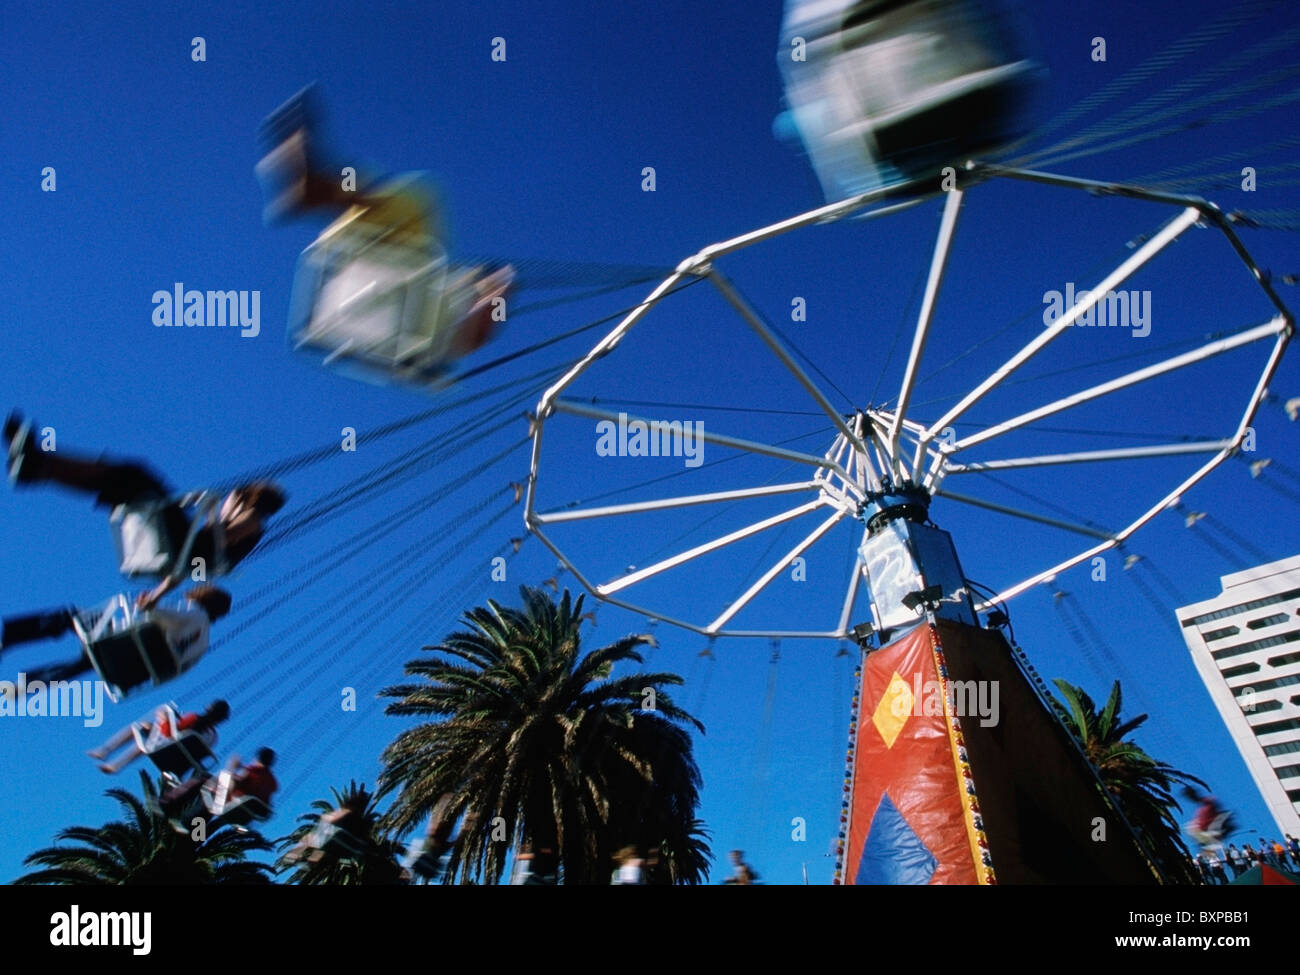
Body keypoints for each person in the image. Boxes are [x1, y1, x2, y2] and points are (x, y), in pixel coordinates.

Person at [256, 88, 515, 374]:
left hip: (357, 284)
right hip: (373, 280)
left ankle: (321, 189)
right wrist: (499, 289)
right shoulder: (448, 301)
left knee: (416, 198)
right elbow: (474, 334)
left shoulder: (447, 306)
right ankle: (323, 189)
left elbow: (470, 334)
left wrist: (497, 287)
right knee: (409, 201)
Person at [5, 411, 284, 606]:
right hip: (181, 547)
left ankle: (42, 464)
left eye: (232, 498)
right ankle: (41, 467)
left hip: (182, 542)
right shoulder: (210, 546)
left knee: (135, 475)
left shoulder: (253, 519)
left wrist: (213, 510)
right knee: (123, 486)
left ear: (244, 500)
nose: (226, 501)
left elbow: (220, 537)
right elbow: (184, 570)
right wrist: (156, 596)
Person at [0, 585, 231, 690]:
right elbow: (171, 674)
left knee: (70, 614)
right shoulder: (202, 644)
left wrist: (145, 603)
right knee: (85, 664)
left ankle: (10, 636)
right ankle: (23, 687)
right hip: (125, 672)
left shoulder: (194, 612)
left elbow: (153, 611)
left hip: (121, 646)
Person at [89, 699, 230, 775]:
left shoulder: (194, 718)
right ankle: (114, 765)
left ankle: (106, 751)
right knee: (147, 741)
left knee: (138, 728)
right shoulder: (212, 738)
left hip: (165, 746)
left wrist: (163, 718)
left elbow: (170, 734)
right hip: (176, 763)